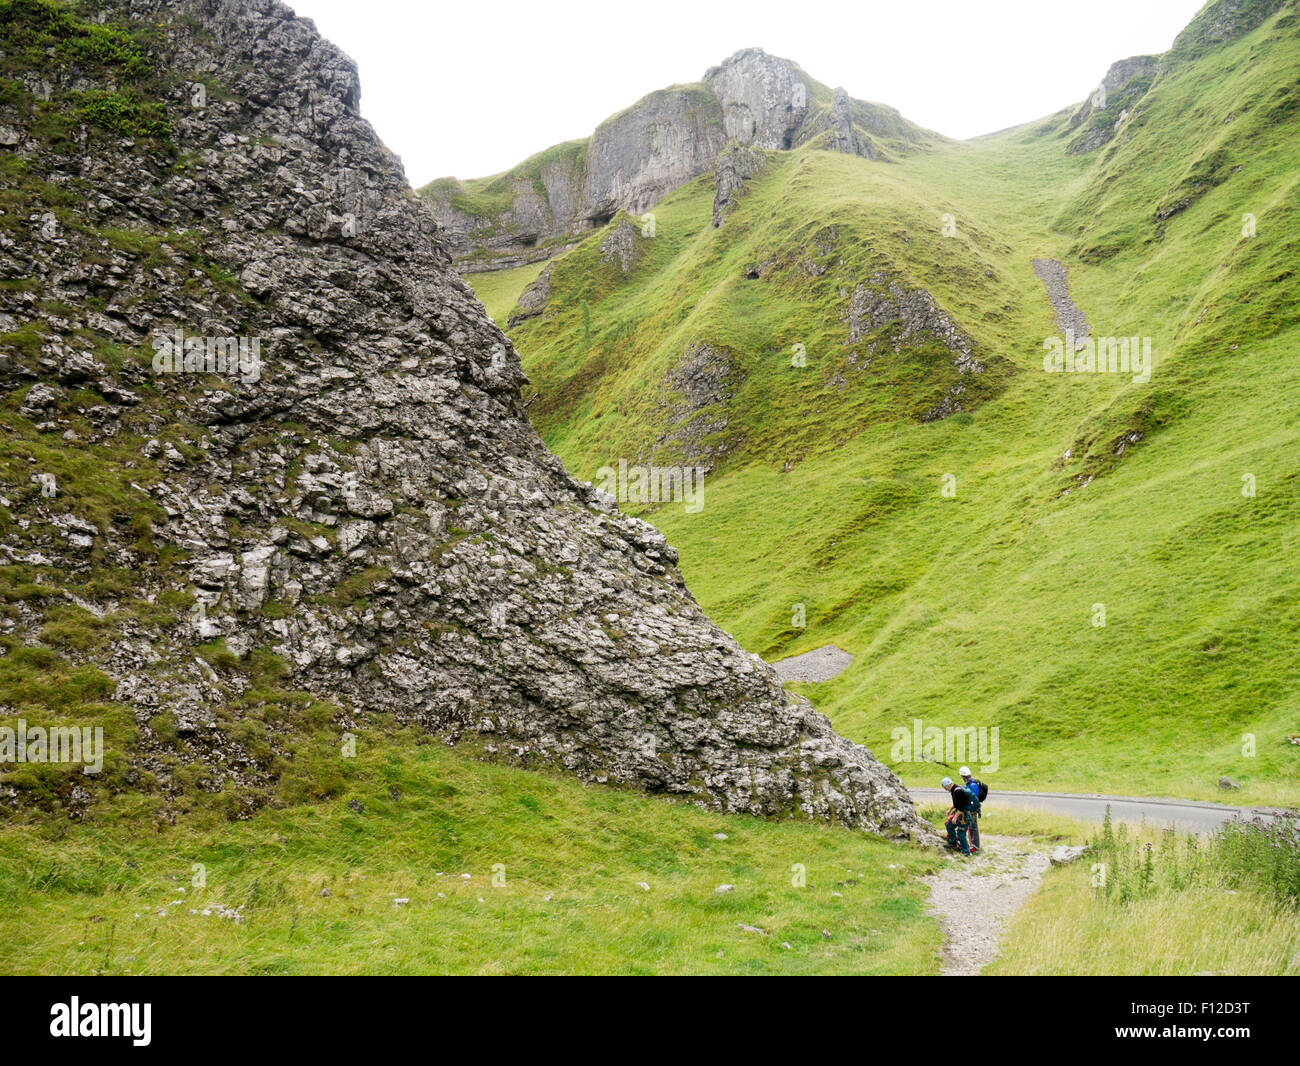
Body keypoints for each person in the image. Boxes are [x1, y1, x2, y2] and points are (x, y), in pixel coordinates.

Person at [941, 777, 976, 856]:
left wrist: (955, 817)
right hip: (960, 813)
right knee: (949, 825)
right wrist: (950, 810)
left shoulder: (958, 791)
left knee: (961, 833)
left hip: (964, 815)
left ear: (948, 785)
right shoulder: (954, 790)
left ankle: (966, 852)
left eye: (945, 787)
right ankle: (953, 843)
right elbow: (957, 803)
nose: (945, 789)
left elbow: (961, 807)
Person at [960, 766, 986, 854]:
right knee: (972, 827)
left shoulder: (972, 785)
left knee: (973, 827)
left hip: (973, 809)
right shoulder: (971, 783)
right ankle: (974, 846)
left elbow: (974, 798)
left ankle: (975, 847)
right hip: (973, 808)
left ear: (963, 776)